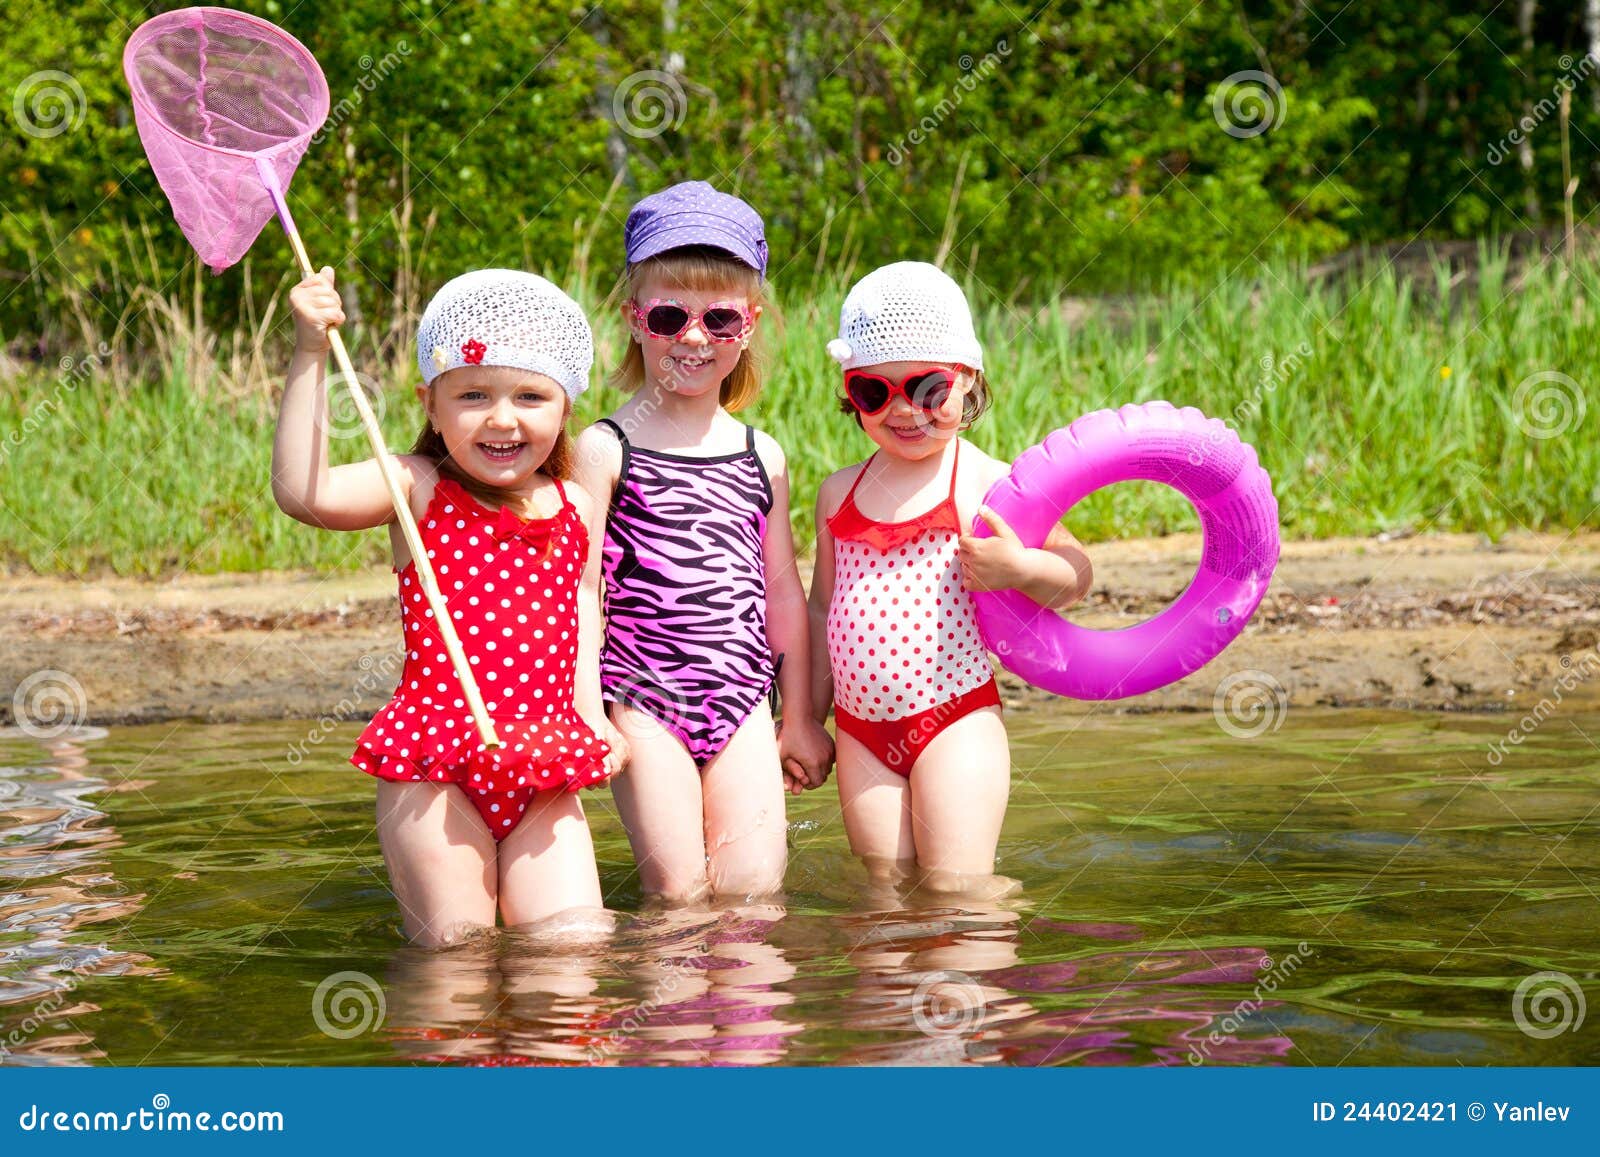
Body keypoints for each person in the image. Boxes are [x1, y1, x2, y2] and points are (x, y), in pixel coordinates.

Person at [275, 267, 623, 945]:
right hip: (435, 765)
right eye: (472, 395)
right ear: (430, 405)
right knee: (455, 959)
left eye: (529, 394)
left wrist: (592, 716)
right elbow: (302, 491)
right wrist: (311, 354)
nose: (502, 417)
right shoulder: (418, 487)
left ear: (564, 407)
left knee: (572, 951)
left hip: (545, 762)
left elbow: (582, 613)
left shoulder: (574, 506)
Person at [572, 181, 833, 903]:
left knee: (753, 893)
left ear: (748, 323)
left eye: (718, 318)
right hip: (643, 699)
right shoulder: (605, 449)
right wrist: (587, 712)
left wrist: (800, 717)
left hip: (744, 699)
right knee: (679, 895)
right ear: (634, 320)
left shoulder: (761, 454)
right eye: (668, 315)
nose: (693, 337)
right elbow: (582, 593)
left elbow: (782, 589)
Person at [807, 261, 1093, 887]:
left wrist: (1019, 567)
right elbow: (822, 610)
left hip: (954, 720)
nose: (906, 411)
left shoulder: (989, 483)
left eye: (928, 389)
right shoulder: (837, 493)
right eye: (875, 393)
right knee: (884, 895)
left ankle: (988, 962)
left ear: (967, 380)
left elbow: (1076, 573)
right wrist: (805, 717)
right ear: (852, 395)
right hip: (860, 732)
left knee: (956, 892)